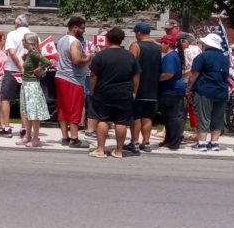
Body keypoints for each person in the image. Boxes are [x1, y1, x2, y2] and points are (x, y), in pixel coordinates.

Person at [87, 27, 139, 159]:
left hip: (104, 92)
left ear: (107, 39)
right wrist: (134, 91)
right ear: (122, 40)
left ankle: (100, 150)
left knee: (103, 119)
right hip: (124, 92)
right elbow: (136, 76)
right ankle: (119, 151)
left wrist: (91, 90)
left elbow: (93, 75)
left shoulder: (100, 55)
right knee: (121, 122)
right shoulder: (129, 56)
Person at [189, 34, 230, 152]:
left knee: (203, 117)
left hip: (205, 90)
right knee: (218, 118)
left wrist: (189, 88)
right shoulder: (225, 58)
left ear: (207, 44)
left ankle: (202, 143)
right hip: (221, 91)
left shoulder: (202, 57)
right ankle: (214, 143)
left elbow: (194, 74)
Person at [126, 22, 162, 153]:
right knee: (147, 116)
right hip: (152, 87)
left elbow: (130, 66)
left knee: (136, 116)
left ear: (139, 33)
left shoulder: (135, 46)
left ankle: (134, 142)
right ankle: (146, 142)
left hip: (138, 86)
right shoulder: (158, 48)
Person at [54, 18, 90, 147]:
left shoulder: (62, 40)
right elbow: (77, 60)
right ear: (75, 27)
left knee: (62, 108)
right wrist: (89, 57)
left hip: (61, 76)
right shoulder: (74, 42)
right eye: (82, 28)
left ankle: (65, 137)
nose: (83, 30)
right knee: (75, 108)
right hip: (73, 79)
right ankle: (74, 139)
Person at [0, 15, 32, 138]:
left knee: (6, 98)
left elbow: (11, 52)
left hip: (11, 69)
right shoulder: (33, 35)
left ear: (17, 23)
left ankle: (6, 127)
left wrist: (20, 67)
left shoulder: (12, 34)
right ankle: (24, 128)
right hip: (28, 71)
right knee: (25, 100)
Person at [18, 32, 53, 148]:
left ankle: (35, 138)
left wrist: (39, 69)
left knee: (34, 113)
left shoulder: (33, 53)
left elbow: (48, 62)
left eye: (24, 40)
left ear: (29, 42)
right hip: (27, 84)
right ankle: (28, 136)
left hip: (32, 85)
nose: (22, 42)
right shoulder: (29, 54)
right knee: (28, 113)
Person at [155, 34, 187, 150]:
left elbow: (169, 73)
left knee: (173, 117)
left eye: (161, 43)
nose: (160, 45)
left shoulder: (170, 57)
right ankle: (168, 140)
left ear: (167, 44)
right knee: (168, 117)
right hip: (170, 90)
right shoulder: (172, 56)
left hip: (171, 90)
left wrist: (155, 79)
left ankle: (174, 142)